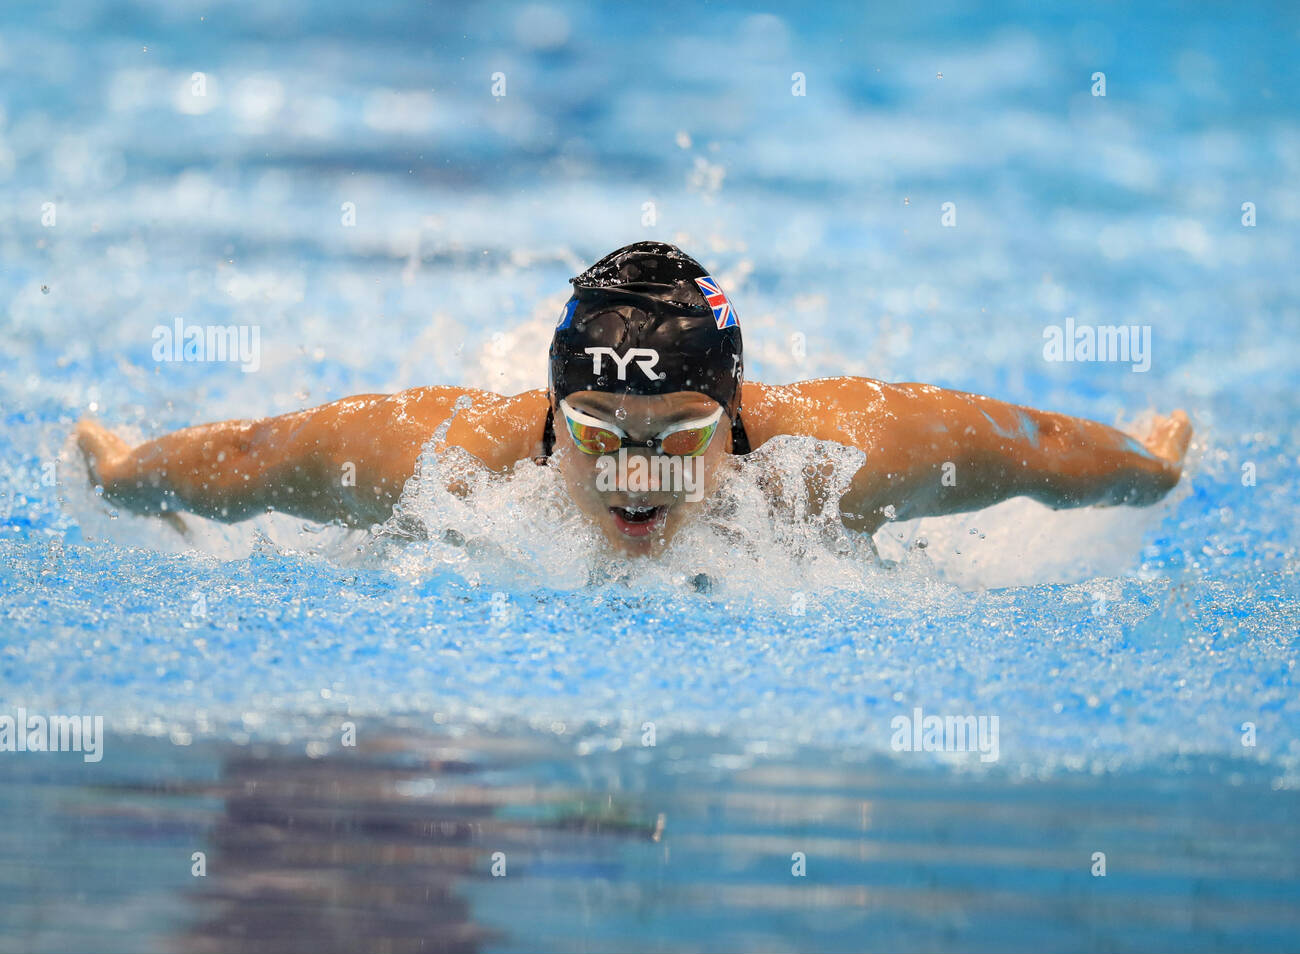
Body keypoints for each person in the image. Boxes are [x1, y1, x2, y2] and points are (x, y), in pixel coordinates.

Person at [75, 242, 1192, 557]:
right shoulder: (443, 464)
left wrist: (1143, 464)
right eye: (600, 434)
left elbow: (1029, 444)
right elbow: (258, 458)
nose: (634, 471)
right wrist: (131, 474)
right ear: (552, 415)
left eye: (679, 434)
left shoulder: (838, 461)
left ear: (737, 411)